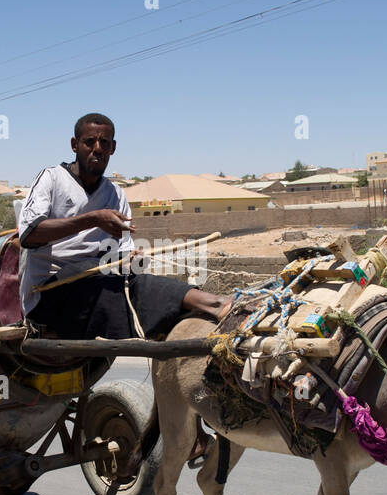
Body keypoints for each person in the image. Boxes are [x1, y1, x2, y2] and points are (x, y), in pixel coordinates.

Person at [18, 113, 230, 463]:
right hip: (52, 295)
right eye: (89, 142)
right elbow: (29, 235)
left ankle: (193, 425)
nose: (97, 148)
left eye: (104, 143)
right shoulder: (51, 179)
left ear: (113, 147)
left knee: (155, 304)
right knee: (125, 293)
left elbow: (124, 260)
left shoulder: (115, 194)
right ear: (75, 145)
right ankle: (216, 305)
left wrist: (135, 258)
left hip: (98, 287)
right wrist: (91, 219)